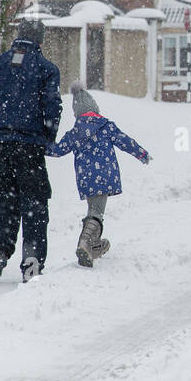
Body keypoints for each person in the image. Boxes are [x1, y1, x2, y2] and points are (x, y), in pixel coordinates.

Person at [0, 19, 62, 282]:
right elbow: (52, 108)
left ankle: (0, 250)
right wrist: (47, 138)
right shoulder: (46, 69)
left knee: (2, 201)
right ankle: (31, 257)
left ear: (18, 36)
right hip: (29, 147)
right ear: (40, 40)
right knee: (34, 202)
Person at [46, 82, 151, 267]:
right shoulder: (106, 126)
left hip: (86, 178)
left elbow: (58, 150)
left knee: (93, 210)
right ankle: (86, 242)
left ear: (77, 113)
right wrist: (141, 153)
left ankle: (93, 245)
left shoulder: (75, 132)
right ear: (95, 108)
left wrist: (36, 146)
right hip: (105, 175)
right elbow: (125, 142)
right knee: (97, 212)